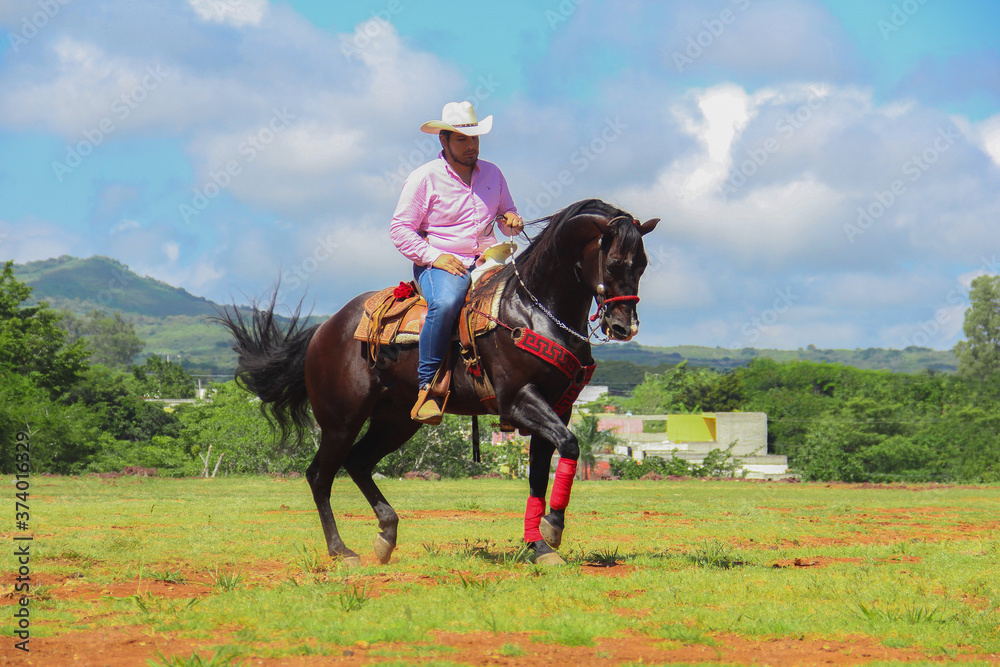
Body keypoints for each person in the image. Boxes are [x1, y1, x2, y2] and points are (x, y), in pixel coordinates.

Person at [389, 101, 524, 424]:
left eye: (475, 138)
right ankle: (427, 388)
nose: (471, 145)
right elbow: (400, 229)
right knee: (448, 302)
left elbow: (505, 215)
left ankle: (512, 392)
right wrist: (436, 257)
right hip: (440, 262)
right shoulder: (424, 178)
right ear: (444, 141)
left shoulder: (493, 173)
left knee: (521, 302)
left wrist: (512, 220)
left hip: (488, 258)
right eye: (462, 139)